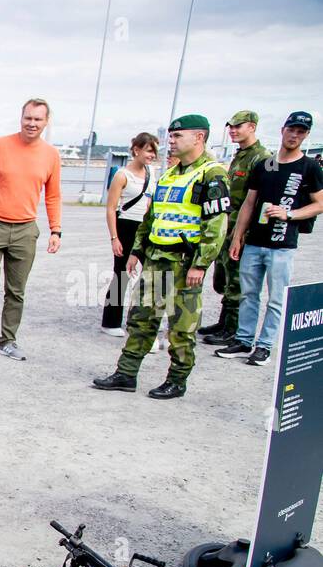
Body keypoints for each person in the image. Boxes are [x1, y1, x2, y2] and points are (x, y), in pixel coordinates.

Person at [92, 115, 231, 399]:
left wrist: (201, 264)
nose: (172, 141)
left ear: (199, 137)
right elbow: (150, 218)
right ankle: (126, 373)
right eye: (171, 135)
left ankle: (177, 380)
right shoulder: (169, 174)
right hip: (156, 257)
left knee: (181, 325)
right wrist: (137, 251)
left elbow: (217, 227)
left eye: (178, 136)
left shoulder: (212, 174)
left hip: (184, 262)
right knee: (141, 319)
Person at [217, 111, 323, 365]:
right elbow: (249, 203)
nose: (295, 135)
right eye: (292, 130)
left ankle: (264, 346)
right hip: (254, 241)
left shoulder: (309, 167)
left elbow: (319, 203)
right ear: (283, 130)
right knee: (248, 294)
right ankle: (244, 340)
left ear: (306, 135)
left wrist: (290, 214)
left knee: (276, 298)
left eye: (301, 132)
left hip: (282, 245)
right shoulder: (264, 165)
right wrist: (237, 236)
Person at [0, 98, 62, 360]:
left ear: (46, 122)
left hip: (25, 229)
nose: (32, 123)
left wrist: (56, 229)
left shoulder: (51, 155)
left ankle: (8, 340)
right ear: (21, 118)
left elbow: (53, 196)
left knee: (16, 290)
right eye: (28, 118)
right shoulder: (0, 145)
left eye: (38, 119)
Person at [200, 110, 273, 345]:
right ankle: (224, 322)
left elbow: (263, 198)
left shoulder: (262, 157)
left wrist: (244, 233)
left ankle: (232, 329)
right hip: (228, 227)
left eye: (238, 126)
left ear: (252, 127)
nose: (232, 130)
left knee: (237, 281)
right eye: (230, 127)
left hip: (243, 231)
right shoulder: (240, 155)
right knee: (224, 277)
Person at [101, 132, 158, 335]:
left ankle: (140, 320)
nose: (152, 155)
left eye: (154, 151)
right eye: (149, 150)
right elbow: (111, 208)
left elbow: (151, 201)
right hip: (125, 225)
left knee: (149, 273)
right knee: (121, 274)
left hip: (145, 226)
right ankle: (111, 321)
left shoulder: (152, 173)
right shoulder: (122, 175)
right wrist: (114, 237)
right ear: (137, 150)